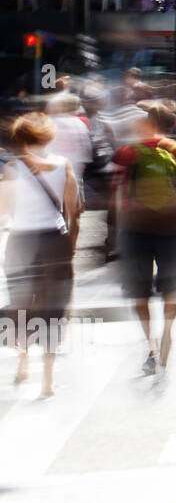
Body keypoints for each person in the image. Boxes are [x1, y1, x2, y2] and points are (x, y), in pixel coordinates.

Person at [112, 100, 176, 382]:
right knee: (171, 286)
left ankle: (151, 345)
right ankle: (167, 332)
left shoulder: (127, 152)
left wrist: (113, 237)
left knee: (139, 292)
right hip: (169, 229)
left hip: (134, 230)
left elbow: (116, 197)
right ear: (173, 124)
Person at [0, 114, 82, 396]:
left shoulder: (12, 168)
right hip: (53, 241)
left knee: (22, 303)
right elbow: (73, 209)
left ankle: (22, 365)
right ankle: (48, 380)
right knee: (53, 308)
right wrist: (69, 242)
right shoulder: (63, 165)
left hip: (21, 242)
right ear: (49, 137)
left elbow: (3, 211)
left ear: (22, 139)